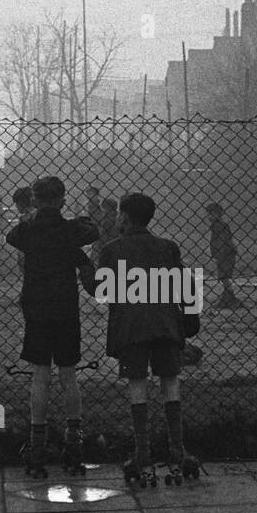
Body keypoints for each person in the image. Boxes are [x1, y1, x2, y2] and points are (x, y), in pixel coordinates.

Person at [97, 192, 202, 488]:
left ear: (126, 218)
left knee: (138, 385)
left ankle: (142, 453)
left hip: (131, 329)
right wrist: (190, 318)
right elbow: (186, 283)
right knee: (170, 380)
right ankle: (177, 450)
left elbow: (102, 292)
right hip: (165, 325)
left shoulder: (112, 250)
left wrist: (84, 268)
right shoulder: (167, 248)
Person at [6, 176, 100, 477]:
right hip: (65, 307)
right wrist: (74, 216)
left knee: (40, 375)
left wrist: (34, 217)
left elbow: (12, 236)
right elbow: (92, 230)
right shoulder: (69, 231)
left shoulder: (28, 231)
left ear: (34, 201)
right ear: (62, 199)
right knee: (69, 375)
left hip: (36, 307)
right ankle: (74, 445)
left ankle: (37, 446)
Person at [206, 202, 242, 309]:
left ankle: (230, 298)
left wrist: (219, 255)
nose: (209, 217)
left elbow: (222, 241)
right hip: (226, 253)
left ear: (218, 214)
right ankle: (228, 297)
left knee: (224, 277)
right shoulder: (220, 224)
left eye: (211, 214)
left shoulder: (218, 225)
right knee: (225, 277)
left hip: (224, 254)